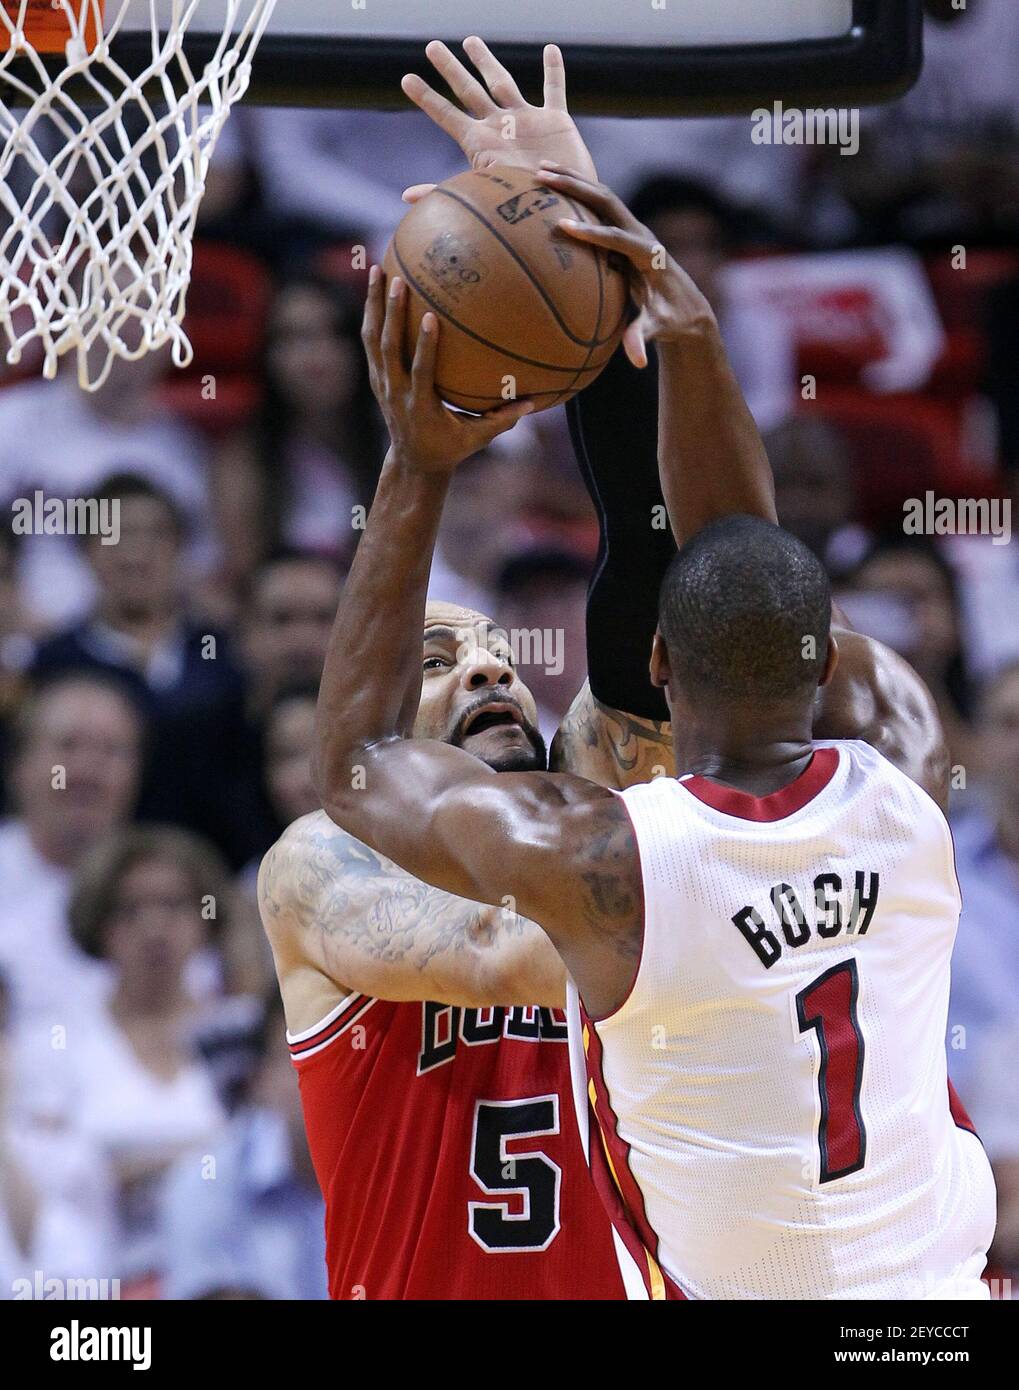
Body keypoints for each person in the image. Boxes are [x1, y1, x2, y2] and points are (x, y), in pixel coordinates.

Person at [313, 160, 996, 1300]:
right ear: (827, 659)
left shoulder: (608, 861)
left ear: (657, 662)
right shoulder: (909, 759)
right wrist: (682, 335)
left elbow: (356, 764)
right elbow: (740, 563)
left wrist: (417, 463)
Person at [212, 276, 385, 602]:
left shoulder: (399, 445)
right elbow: (244, 583)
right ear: (268, 354)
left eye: (334, 334)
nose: (317, 355)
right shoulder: (244, 459)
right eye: (296, 338)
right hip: (289, 628)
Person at [30, 473, 243, 721]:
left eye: (156, 534)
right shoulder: (55, 662)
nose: (137, 552)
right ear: (87, 550)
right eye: (118, 533)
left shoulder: (220, 651)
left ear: (180, 548)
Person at [159, 992, 327, 1301]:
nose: (327, 1082)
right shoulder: (203, 1185)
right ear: (261, 1080)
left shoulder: (410, 1179)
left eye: (344, 1060)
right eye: (303, 1057)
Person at [0, 674, 144, 1027]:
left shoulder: (172, 885)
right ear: (19, 766)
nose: (86, 771)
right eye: (67, 747)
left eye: (111, 750)